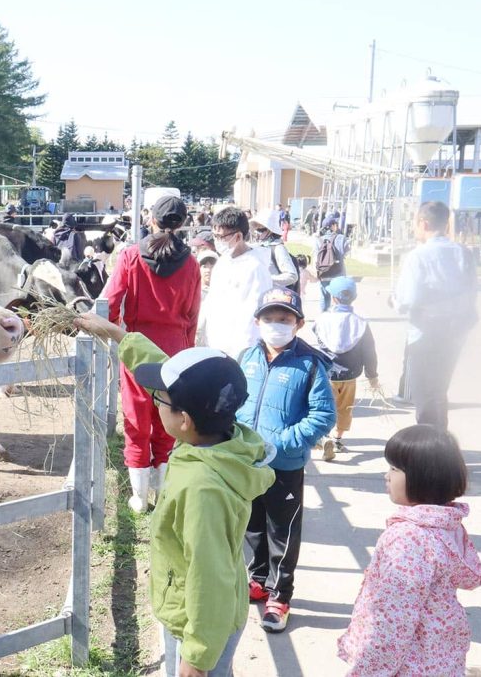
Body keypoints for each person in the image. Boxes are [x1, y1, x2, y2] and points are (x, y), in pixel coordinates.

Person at [71, 310, 274, 677]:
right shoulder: (219, 437)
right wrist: (117, 334)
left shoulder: (203, 489)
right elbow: (169, 373)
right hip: (198, 614)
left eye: (160, 400)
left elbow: (208, 577)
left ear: (184, 420)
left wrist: (195, 659)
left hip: (199, 624)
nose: (154, 401)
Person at [338, 425, 481, 675]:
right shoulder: (448, 524)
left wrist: (367, 671)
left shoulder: (408, 538)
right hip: (439, 657)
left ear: (423, 477)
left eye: (395, 469)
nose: (387, 476)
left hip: (408, 664)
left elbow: (393, 622)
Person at [237, 287, 335, 633]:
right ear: (257, 322)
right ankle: (257, 579)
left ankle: (280, 595)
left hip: (285, 465)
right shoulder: (246, 358)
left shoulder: (308, 364)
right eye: (269, 318)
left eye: (284, 319)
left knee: (283, 531)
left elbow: (324, 414)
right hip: (248, 464)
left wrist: (284, 442)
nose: (276, 325)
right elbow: (234, 404)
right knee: (252, 525)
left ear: (299, 323)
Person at [103, 195, 201, 511]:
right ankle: (162, 489)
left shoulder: (131, 257)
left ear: (151, 220)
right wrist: (187, 348)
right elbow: (192, 315)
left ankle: (138, 495)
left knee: (136, 419)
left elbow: (112, 303)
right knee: (167, 418)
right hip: (175, 347)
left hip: (136, 346)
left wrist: (113, 333)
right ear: (183, 224)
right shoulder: (192, 263)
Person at [393, 201, 478, 430]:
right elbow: (471, 293)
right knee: (439, 392)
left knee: (424, 396)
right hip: (455, 334)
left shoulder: (418, 256)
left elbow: (409, 298)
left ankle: (431, 452)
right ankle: (441, 442)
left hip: (425, 333)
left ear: (424, 223)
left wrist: (395, 301)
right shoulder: (463, 253)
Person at [311, 276, 379, 461]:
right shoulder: (361, 323)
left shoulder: (322, 320)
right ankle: (337, 439)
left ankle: (323, 437)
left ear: (333, 298)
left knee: (325, 406)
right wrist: (372, 376)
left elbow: (317, 342)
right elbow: (369, 352)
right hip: (350, 376)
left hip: (327, 374)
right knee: (344, 409)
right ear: (354, 297)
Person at [200, 207, 273, 358]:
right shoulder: (223, 260)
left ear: (238, 236)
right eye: (214, 236)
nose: (217, 241)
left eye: (221, 237)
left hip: (239, 349)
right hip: (216, 343)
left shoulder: (255, 268)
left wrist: (244, 352)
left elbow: (253, 315)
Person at [250, 211, 299, 291]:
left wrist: (267, 279)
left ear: (270, 231)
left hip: (272, 297)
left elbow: (292, 276)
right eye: (256, 229)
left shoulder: (278, 248)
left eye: (261, 230)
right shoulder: (256, 246)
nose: (257, 233)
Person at [314, 213, 350, 312]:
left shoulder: (318, 240)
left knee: (325, 296)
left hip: (324, 272)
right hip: (339, 273)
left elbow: (316, 258)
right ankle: (339, 315)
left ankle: (324, 316)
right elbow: (347, 253)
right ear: (333, 226)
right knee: (339, 297)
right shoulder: (341, 238)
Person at [194, 251, 218, 347]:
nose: (208, 270)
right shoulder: (193, 293)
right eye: (204, 266)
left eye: (212, 266)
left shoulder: (224, 293)